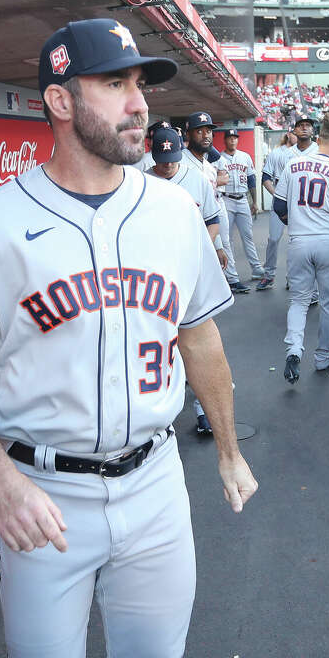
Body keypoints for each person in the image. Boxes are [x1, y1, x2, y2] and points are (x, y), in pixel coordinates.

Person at [0, 18, 258, 658]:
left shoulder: (174, 211)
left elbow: (201, 337)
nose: (139, 103)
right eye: (114, 84)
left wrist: (227, 449)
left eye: (139, 84)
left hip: (155, 481)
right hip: (44, 490)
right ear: (61, 103)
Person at [147, 126, 228, 436]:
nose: (167, 164)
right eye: (161, 158)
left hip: (187, 271)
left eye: (171, 157)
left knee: (198, 340)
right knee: (161, 343)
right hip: (154, 273)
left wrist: (201, 251)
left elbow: (212, 221)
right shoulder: (139, 177)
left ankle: (202, 409)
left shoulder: (196, 179)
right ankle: (161, 412)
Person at [273, 112, 329, 383]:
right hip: (328, 242)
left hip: (299, 240)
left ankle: (294, 349)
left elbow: (277, 206)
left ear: (318, 138)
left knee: (298, 300)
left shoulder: (293, 165)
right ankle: (322, 356)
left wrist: (294, 221)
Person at [184, 111, 247, 293]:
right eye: (199, 131)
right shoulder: (179, 162)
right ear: (188, 134)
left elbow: (210, 213)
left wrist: (218, 246)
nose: (205, 136)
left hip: (205, 226)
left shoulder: (209, 168)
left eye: (209, 131)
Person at [219, 129, 262, 283]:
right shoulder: (219, 158)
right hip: (226, 200)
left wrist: (255, 201)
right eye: (230, 138)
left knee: (248, 235)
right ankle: (231, 273)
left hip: (243, 199)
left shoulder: (245, 157)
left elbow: (251, 179)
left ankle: (256, 268)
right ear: (225, 140)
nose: (233, 141)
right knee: (227, 239)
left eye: (235, 138)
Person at [258, 130, 297, 290]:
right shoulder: (276, 153)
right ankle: (269, 275)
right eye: (295, 132)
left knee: (296, 241)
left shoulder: (306, 153)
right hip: (280, 199)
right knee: (273, 239)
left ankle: (293, 278)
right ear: (289, 134)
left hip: (298, 202)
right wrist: (277, 194)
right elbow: (266, 178)